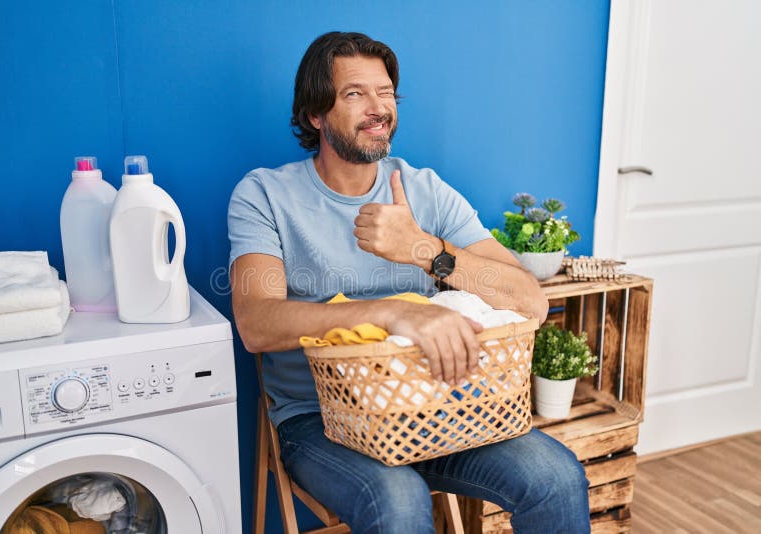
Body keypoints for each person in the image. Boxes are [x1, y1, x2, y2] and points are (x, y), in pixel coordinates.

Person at [229, 31, 590, 533]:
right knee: (397, 500)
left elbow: (529, 300)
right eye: (355, 94)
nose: (378, 108)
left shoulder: (425, 191)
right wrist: (390, 313)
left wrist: (424, 249)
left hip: (432, 405)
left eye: (385, 93)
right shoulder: (264, 195)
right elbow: (256, 323)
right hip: (320, 419)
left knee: (557, 476)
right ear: (315, 114)